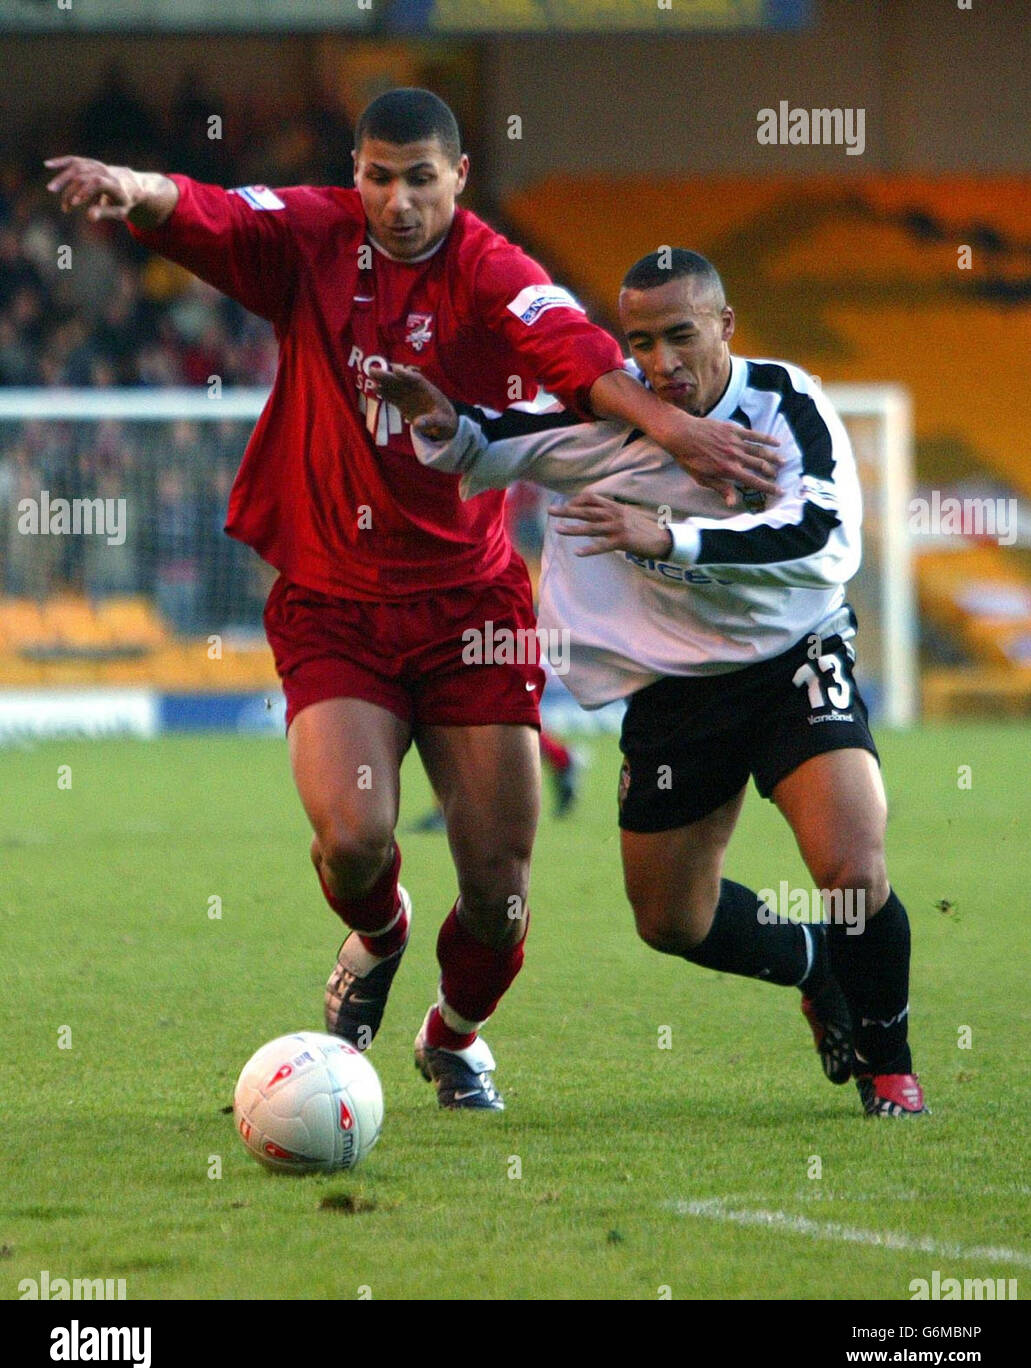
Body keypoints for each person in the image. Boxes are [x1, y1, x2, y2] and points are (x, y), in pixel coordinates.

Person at [44, 93, 779, 1112]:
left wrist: (674, 427)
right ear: (356, 173)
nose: (396, 201)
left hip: (467, 609)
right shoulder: (310, 237)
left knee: (499, 887)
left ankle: (454, 1034)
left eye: (419, 178)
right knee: (351, 836)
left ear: (459, 177)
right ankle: (380, 933)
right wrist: (134, 192)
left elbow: (572, 350)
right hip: (332, 602)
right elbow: (208, 209)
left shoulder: (488, 268)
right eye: (379, 176)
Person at [372, 247, 927, 1117]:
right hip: (674, 691)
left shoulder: (786, 404)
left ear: (724, 326)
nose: (661, 364)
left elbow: (823, 539)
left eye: (679, 336)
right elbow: (491, 438)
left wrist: (668, 538)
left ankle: (888, 1067)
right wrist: (438, 416)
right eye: (639, 342)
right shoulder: (610, 414)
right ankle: (815, 966)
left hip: (794, 658)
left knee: (851, 867)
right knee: (670, 919)